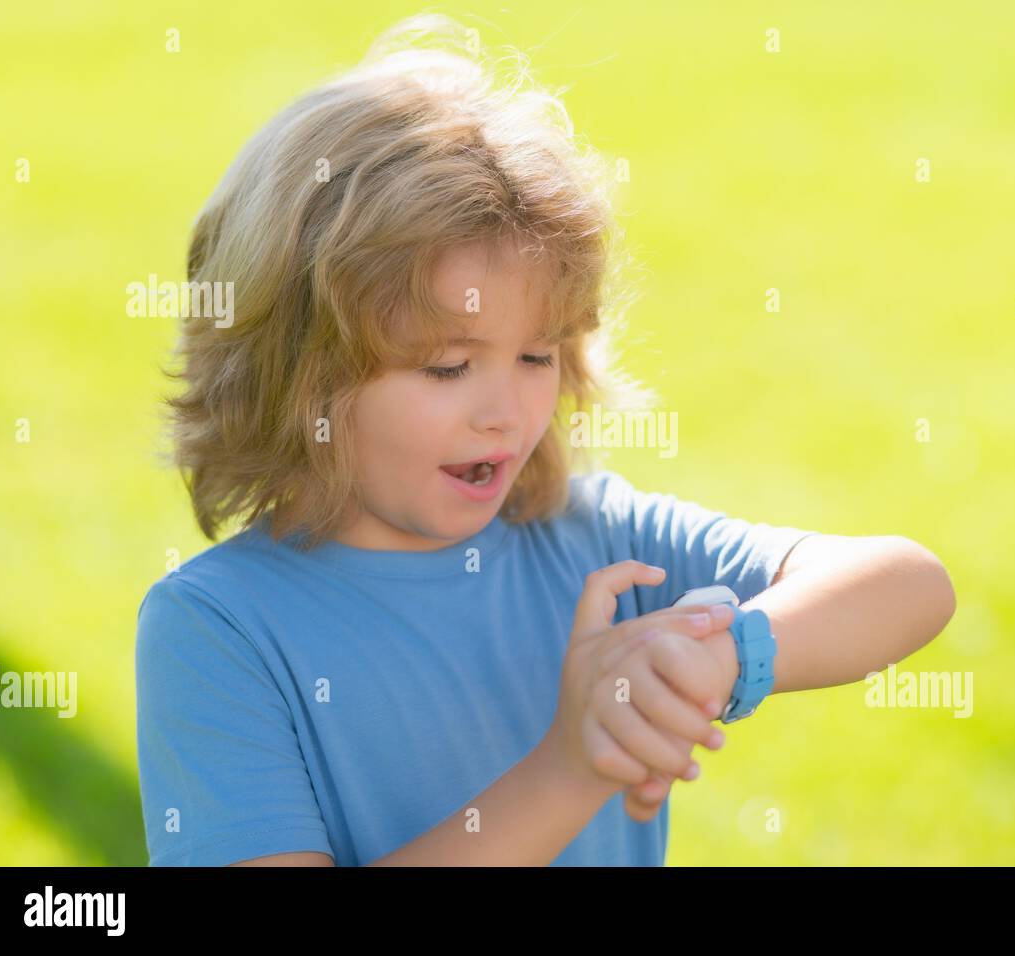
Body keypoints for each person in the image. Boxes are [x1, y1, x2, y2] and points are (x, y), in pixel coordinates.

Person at [135, 13, 956, 867]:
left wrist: (721, 660)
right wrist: (572, 766)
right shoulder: (218, 630)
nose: (506, 413)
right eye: (448, 367)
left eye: (536, 355)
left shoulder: (592, 541)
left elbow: (908, 584)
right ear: (296, 370)